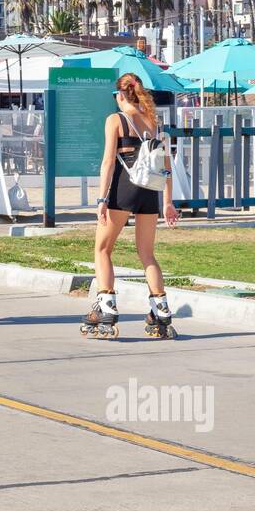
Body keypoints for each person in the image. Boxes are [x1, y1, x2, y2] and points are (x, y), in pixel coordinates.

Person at [84, 73, 179, 339]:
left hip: (123, 189)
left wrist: (102, 200)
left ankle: (107, 307)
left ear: (121, 95)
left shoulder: (116, 120)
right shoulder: (153, 124)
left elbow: (108, 163)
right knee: (147, 254)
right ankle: (160, 310)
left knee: (102, 249)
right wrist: (168, 203)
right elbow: (166, 168)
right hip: (149, 193)